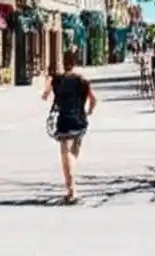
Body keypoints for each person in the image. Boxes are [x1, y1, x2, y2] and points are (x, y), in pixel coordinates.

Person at [42, 50, 97, 203]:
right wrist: (89, 111)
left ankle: (72, 190)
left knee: (67, 157)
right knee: (73, 154)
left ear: (63, 63)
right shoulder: (83, 81)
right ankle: (71, 188)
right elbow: (94, 100)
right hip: (79, 121)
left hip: (64, 122)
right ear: (75, 63)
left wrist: (49, 81)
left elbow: (44, 95)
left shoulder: (57, 80)